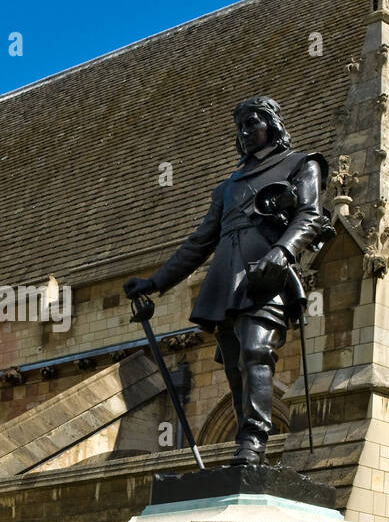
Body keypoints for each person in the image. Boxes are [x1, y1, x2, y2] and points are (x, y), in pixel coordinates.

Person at [124, 96, 329, 466]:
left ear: (272, 124)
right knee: (236, 367)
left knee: (257, 350)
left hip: (267, 276)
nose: (246, 132)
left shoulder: (302, 164)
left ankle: (253, 440)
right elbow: (199, 243)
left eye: (253, 123)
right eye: (241, 127)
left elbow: (311, 216)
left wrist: (280, 254)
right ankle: (245, 444)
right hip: (226, 281)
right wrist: (154, 283)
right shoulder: (228, 187)